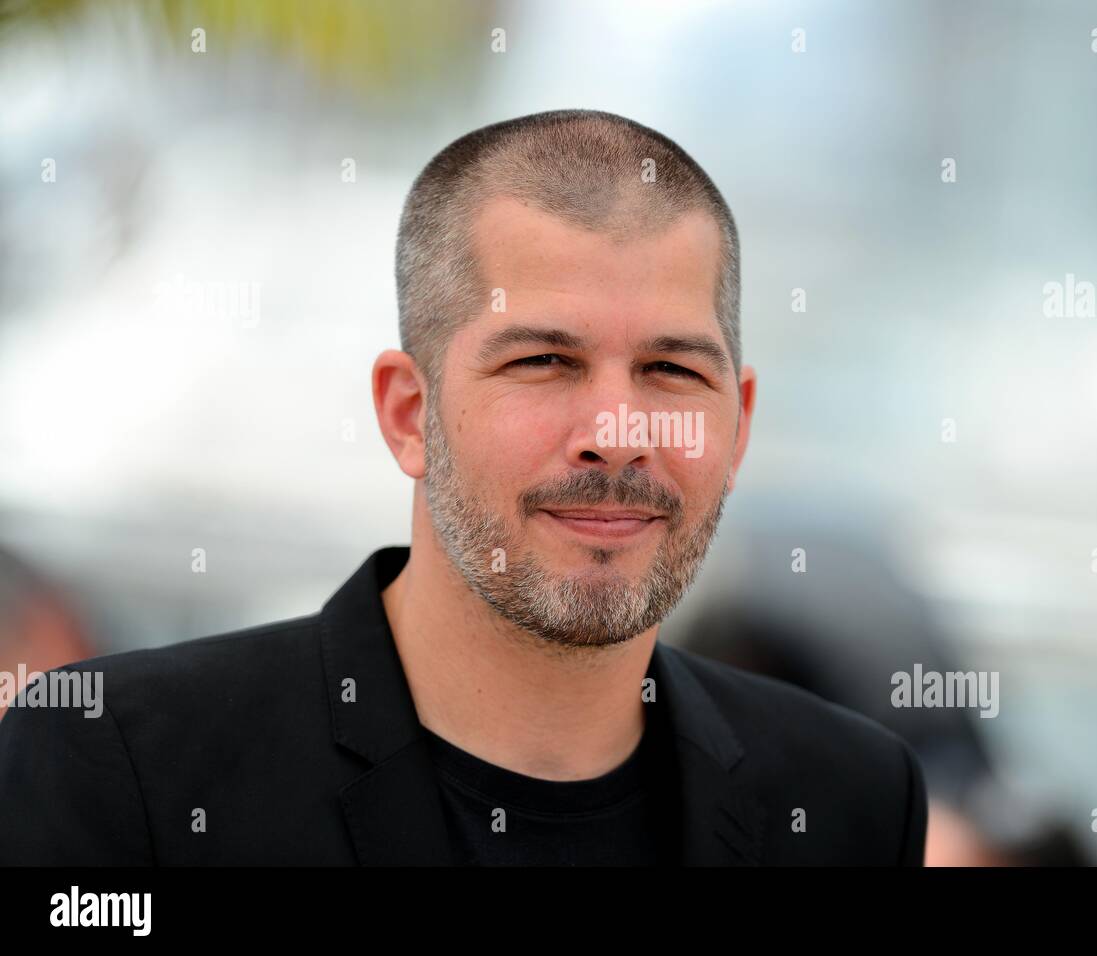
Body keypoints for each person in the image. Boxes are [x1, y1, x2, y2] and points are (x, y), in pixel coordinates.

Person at [0, 109, 926, 865]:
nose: (617, 436)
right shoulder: (120, 763)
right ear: (410, 413)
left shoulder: (850, 801)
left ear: (740, 425)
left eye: (673, 371)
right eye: (543, 361)